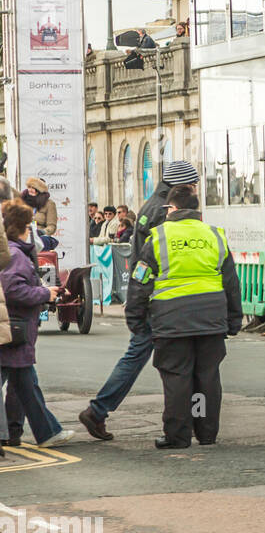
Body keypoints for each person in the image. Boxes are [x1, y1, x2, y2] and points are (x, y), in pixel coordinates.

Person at [79, 160, 202, 442]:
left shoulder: (152, 205)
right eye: (193, 184)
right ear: (182, 185)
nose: (195, 189)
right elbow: (152, 260)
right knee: (172, 362)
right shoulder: (164, 210)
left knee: (147, 356)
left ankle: (101, 411)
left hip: (151, 298)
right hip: (161, 300)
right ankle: (185, 422)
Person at [125, 186, 241, 449]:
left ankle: (178, 435)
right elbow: (231, 282)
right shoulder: (215, 236)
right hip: (210, 319)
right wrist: (234, 319)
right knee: (206, 377)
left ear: (173, 208)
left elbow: (140, 281)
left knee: (178, 377)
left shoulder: (158, 237)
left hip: (172, 320)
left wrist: (135, 318)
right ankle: (205, 431)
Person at [1, 200, 73, 448]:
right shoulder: (16, 255)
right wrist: (45, 294)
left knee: (25, 384)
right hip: (14, 328)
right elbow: (13, 290)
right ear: (24, 227)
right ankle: (42, 432)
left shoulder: (13, 251)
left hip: (13, 328)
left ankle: (22, 432)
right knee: (25, 383)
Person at [21, 177, 58, 249]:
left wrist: (42, 232)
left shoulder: (49, 204)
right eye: (29, 187)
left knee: (39, 242)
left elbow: (52, 226)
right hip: (24, 234)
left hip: (40, 236)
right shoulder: (22, 201)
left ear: (39, 190)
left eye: (34, 188)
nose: (30, 190)